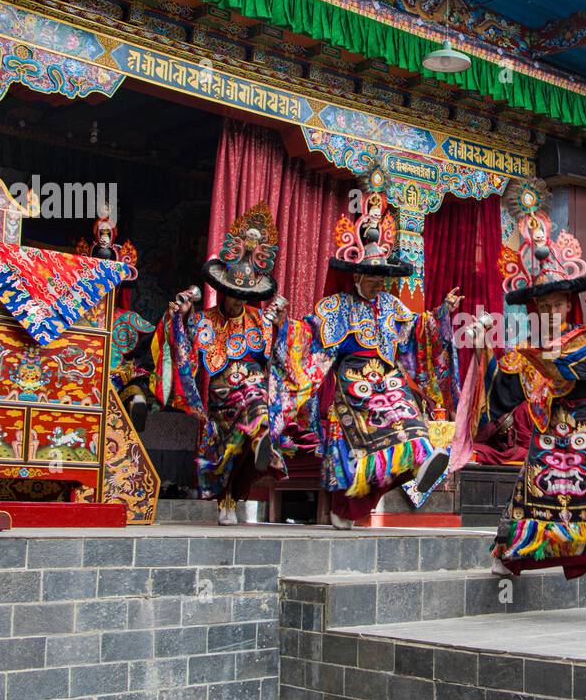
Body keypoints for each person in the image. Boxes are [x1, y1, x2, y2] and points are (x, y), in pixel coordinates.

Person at [461, 177, 586, 608]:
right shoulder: (528, 348)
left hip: (585, 424)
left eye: (558, 301)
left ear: (570, 301)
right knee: (531, 495)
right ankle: (507, 558)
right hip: (549, 431)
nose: (551, 309)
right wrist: (482, 346)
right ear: (534, 309)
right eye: (542, 304)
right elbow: (503, 387)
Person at [299, 165, 461, 528]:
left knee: (416, 433)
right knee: (364, 443)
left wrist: (443, 314)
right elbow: (309, 335)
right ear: (357, 275)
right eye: (372, 276)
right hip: (353, 384)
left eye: (383, 277)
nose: (378, 283)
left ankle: (411, 480)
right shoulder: (337, 305)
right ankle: (348, 510)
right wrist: (282, 328)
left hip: (389, 382)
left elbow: (419, 333)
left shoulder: (391, 306)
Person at [157, 203, 307, 525]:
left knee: (258, 406)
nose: (239, 299)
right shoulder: (204, 322)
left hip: (253, 393)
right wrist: (178, 318)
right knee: (243, 425)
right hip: (222, 397)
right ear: (222, 290)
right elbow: (179, 348)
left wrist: (281, 327)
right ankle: (236, 482)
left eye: (244, 293)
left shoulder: (260, 320)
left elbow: (281, 359)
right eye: (232, 292)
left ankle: (259, 448)